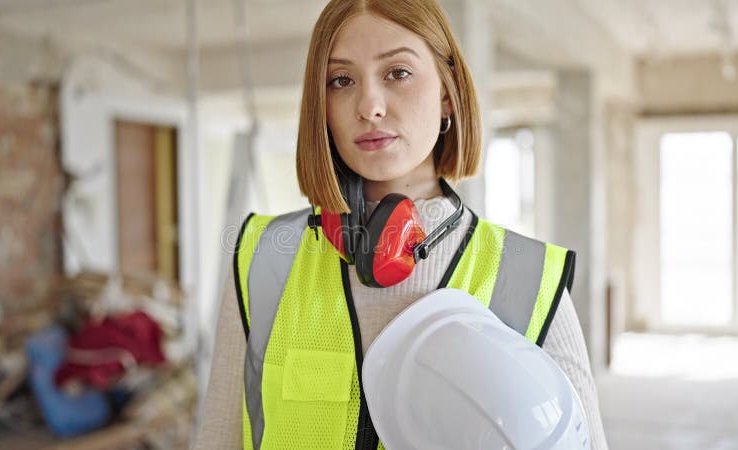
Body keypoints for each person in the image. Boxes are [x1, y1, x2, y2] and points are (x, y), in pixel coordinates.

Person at [194, 1, 608, 449]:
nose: (369, 105)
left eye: (398, 73)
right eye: (341, 80)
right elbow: (218, 438)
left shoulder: (528, 279)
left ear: (447, 93)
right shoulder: (262, 258)